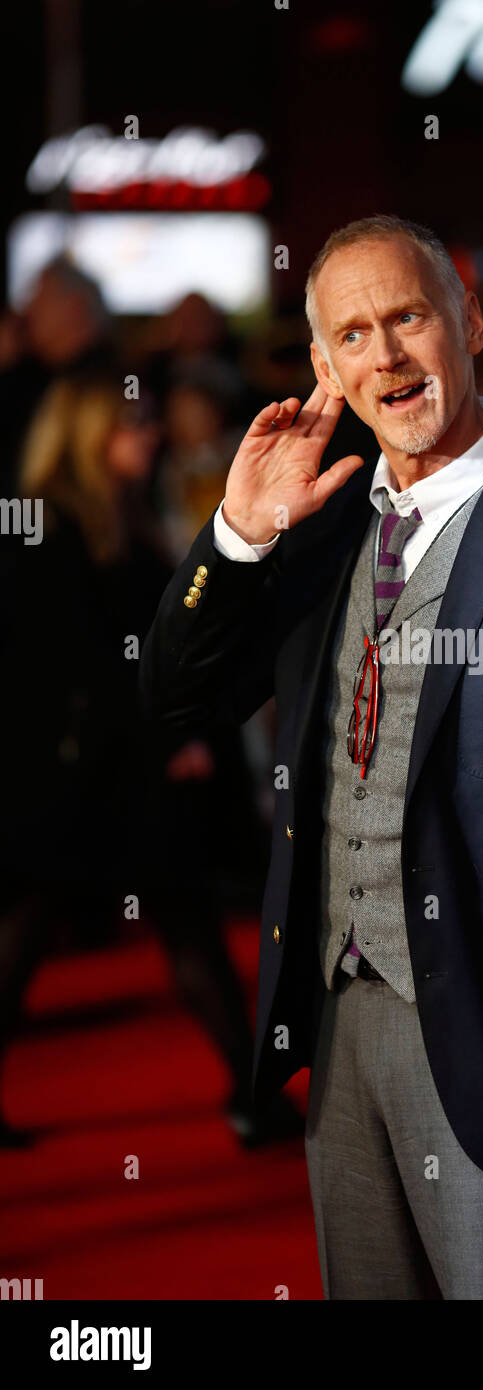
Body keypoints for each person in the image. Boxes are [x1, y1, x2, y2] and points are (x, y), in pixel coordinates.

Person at [140, 214, 483, 1299]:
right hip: (338, 1018)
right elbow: (173, 701)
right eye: (352, 335)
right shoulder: (314, 533)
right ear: (323, 368)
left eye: (407, 317)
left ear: (470, 321)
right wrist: (238, 533)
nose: (386, 355)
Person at [0, 380, 300, 1147]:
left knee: (182, 921)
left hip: (118, 772)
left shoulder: (126, 514)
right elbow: (76, 660)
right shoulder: (49, 523)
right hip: (81, 776)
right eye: (130, 419)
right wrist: (173, 735)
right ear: (88, 431)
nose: (150, 429)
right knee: (38, 930)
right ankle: (255, 1097)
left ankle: (253, 1095)